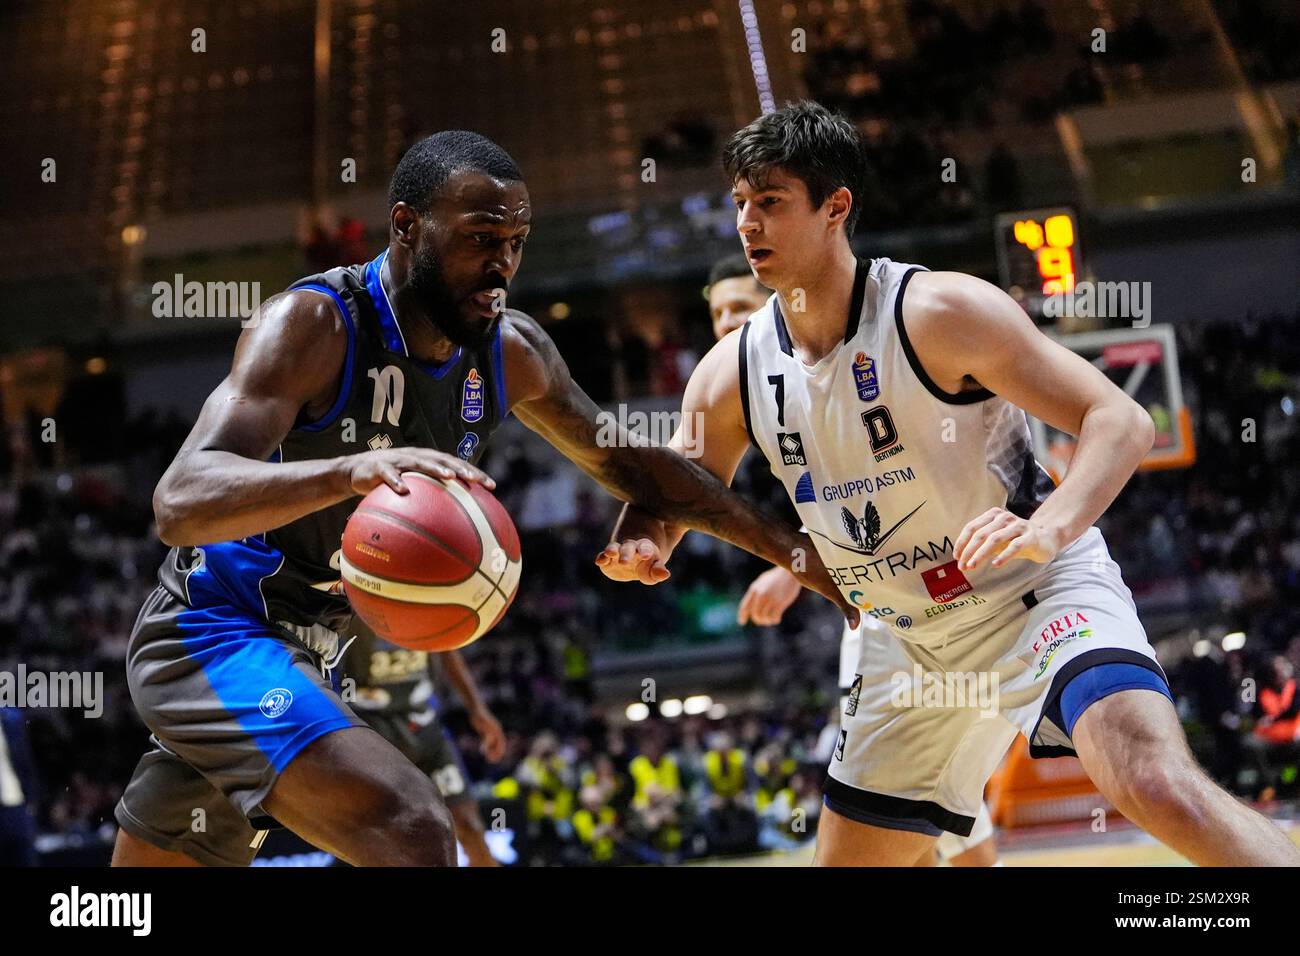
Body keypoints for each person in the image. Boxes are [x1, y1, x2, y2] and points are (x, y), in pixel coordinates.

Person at [111, 129, 854, 868]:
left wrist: (795, 551)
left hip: (315, 648)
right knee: (414, 827)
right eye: (480, 237)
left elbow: (641, 471)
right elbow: (180, 500)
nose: (502, 263)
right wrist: (347, 473)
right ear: (406, 227)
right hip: (212, 634)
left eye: (517, 241)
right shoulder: (312, 324)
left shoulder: (511, 350)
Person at [599, 101, 1300, 866]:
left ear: (836, 208)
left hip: (1033, 598)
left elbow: (1119, 419)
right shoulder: (731, 373)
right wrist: (641, 540)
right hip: (904, 641)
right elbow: (676, 495)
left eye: (770, 202)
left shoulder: (938, 311)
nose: (747, 224)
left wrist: (1050, 526)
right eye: (740, 203)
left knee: (1154, 785)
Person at [710, 253, 1002, 866]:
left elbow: (883, 491)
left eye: (738, 307)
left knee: (940, 823)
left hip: (943, 591)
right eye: (715, 314)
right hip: (877, 608)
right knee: (917, 823)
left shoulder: (844, 358)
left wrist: (789, 566)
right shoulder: (744, 389)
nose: (726, 324)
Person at [344, 621, 505, 866]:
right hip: (370, 725)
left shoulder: (423, 589)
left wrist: (477, 708)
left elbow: (447, 647)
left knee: (470, 826)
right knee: (381, 838)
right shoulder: (347, 590)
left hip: (423, 723)